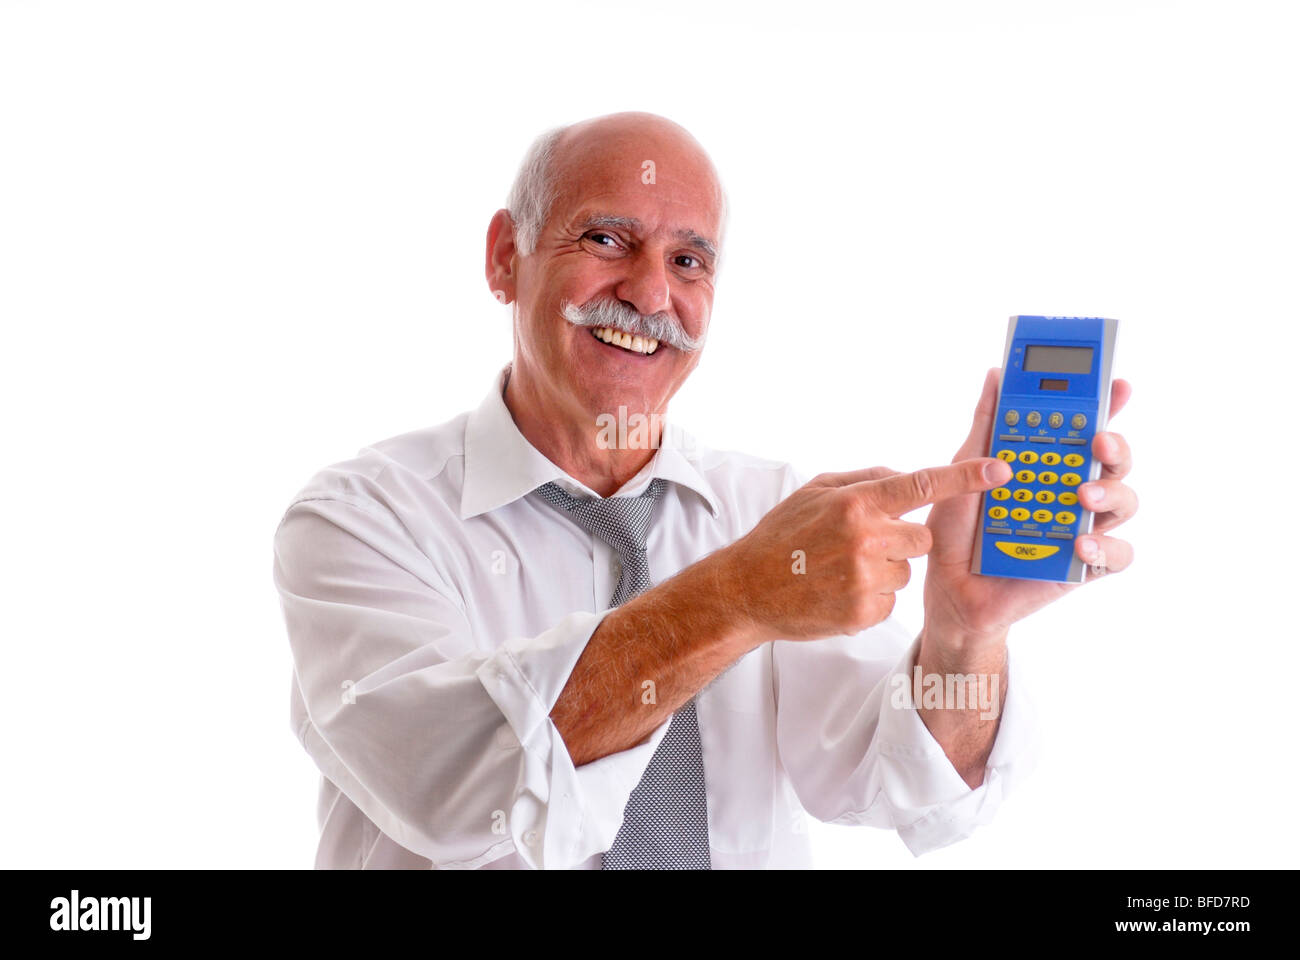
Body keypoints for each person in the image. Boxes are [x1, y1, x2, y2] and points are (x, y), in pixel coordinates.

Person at [272, 112, 1138, 869]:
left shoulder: (769, 510)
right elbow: (461, 787)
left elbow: (911, 790)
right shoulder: (361, 521)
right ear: (507, 257)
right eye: (607, 240)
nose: (651, 293)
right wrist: (737, 596)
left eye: (689, 261)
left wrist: (965, 628)